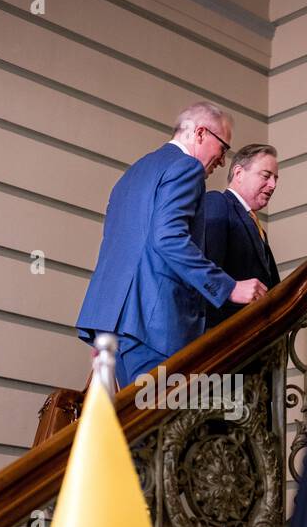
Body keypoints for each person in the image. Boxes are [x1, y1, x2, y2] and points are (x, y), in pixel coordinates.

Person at [74, 102, 269, 388]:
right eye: (224, 148)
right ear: (201, 133)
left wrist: (111, 332)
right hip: (156, 326)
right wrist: (229, 287)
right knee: (159, 426)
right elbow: (169, 238)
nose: (222, 161)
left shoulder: (134, 173)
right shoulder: (186, 167)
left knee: (135, 425)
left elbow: (119, 245)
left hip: (116, 327)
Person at [202, 144, 281, 330]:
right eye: (266, 175)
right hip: (225, 337)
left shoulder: (257, 226)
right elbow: (207, 272)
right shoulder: (218, 203)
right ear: (238, 173)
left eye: (276, 178)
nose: (273, 185)